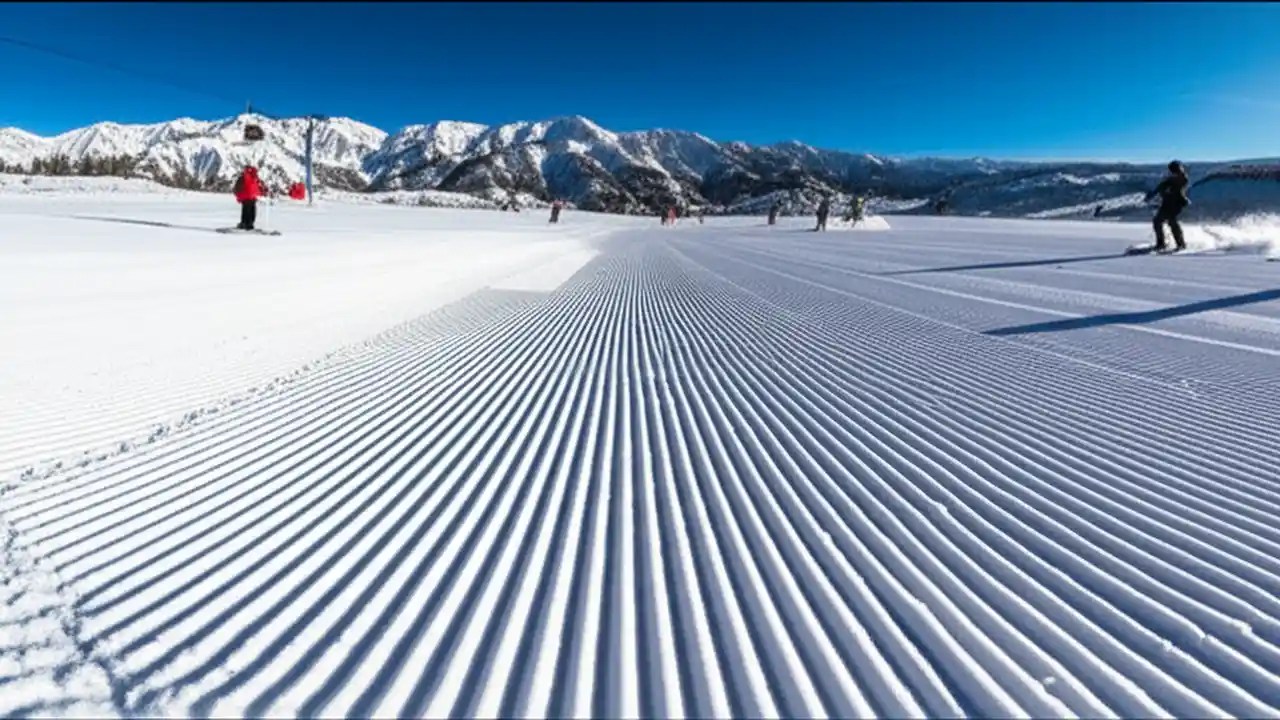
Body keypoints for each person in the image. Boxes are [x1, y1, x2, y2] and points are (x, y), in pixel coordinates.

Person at [1144, 160, 1190, 252]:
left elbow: (1179, 188)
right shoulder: (1169, 180)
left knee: (1171, 221)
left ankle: (1180, 244)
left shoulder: (1180, 179)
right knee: (1158, 221)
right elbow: (1160, 187)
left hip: (1176, 204)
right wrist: (1152, 195)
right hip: (1166, 204)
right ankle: (1161, 244)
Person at [233, 165, 268, 230]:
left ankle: (244, 223)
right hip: (253, 196)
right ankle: (250, 223)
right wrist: (264, 191)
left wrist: (237, 194)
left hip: (245, 196)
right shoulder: (255, 177)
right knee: (252, 208)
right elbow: (260, 186)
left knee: (245, 209)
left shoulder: (243, 177)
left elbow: (238, 187)